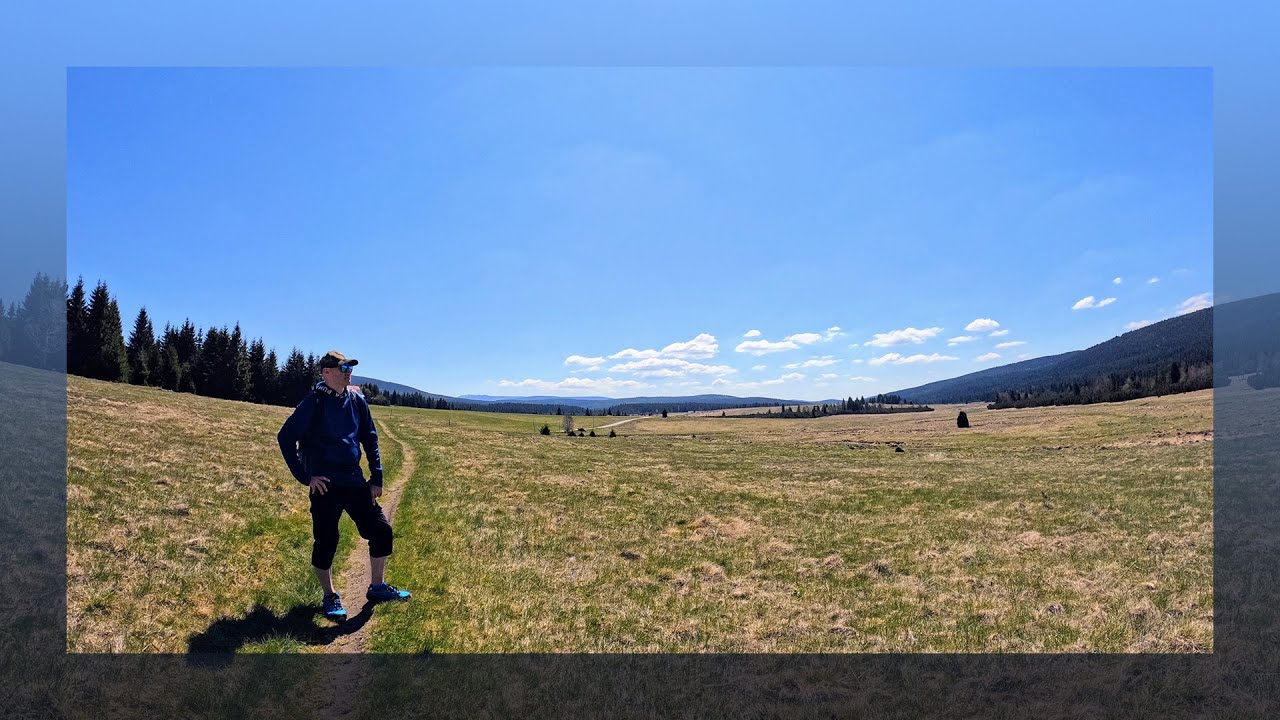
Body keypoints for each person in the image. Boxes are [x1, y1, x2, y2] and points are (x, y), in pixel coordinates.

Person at [277, 350, 410, 620]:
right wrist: (306, 478)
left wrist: (377, 478)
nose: (348, 372)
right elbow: (285, 437)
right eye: (342, 368)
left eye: (350, 368)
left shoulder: (356, 399)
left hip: (354, 480)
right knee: (327, 540)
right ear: (326, 373)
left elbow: (370, 439)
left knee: (381, 530)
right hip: (325, 485)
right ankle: (330, 595)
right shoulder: (314, 402)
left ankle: (377, 587)